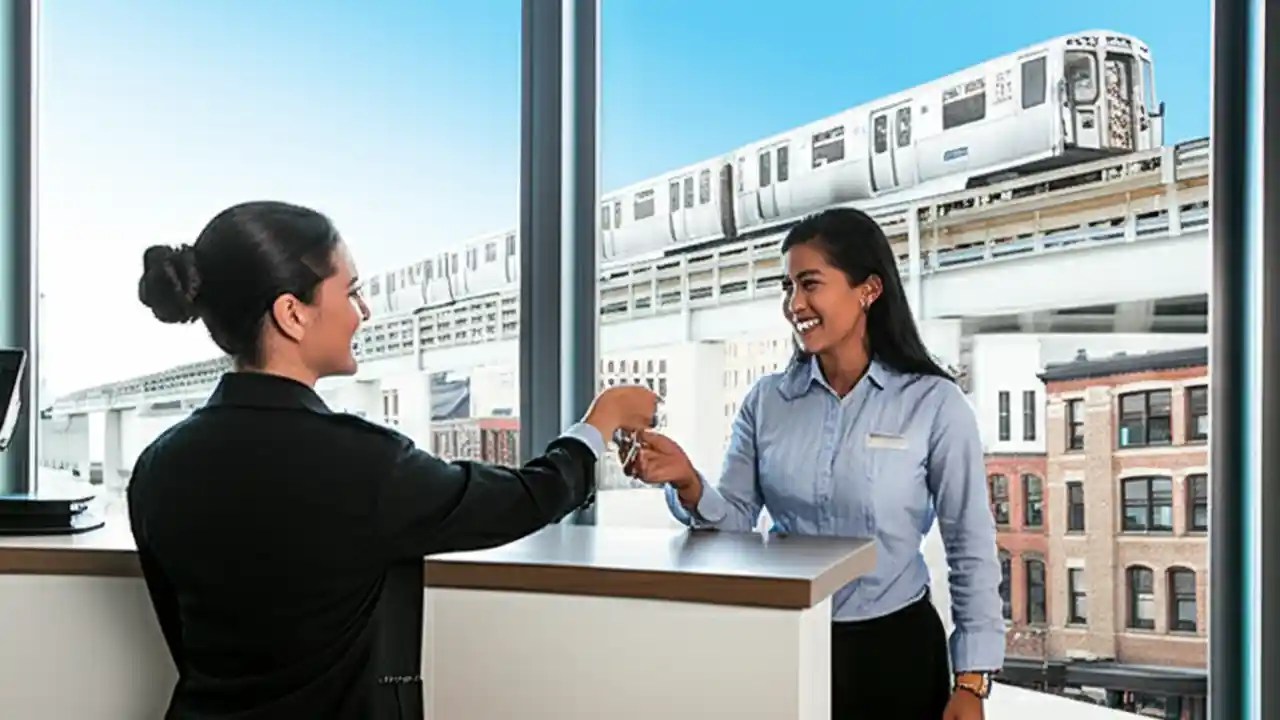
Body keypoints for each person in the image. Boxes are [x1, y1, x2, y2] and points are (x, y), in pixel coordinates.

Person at [128, 200, 658, 720]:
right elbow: (524, 499)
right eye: (352, 291)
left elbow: (183, 640)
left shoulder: (155, 468)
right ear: (292, 313)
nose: (365, 311)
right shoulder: (363, 464)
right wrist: (601, 421)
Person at [622, 207, 1004, 720]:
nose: (793, 304)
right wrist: (689, 483)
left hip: (896, 652)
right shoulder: (767, 402)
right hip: (787, 643)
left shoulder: (935, 404)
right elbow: (734, 520)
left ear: (868, 290)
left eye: (810, 284)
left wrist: (972, 681)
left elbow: (971, 546)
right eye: (787, 287)